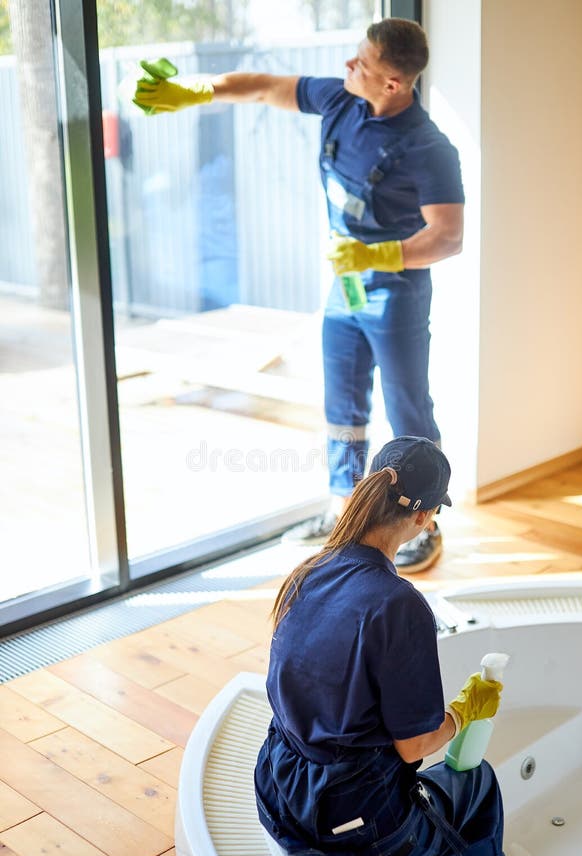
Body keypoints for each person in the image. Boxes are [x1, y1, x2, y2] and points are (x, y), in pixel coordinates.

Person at [134, 18, 465, 572]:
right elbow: (264, 86)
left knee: (409, 411)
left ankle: (422, 523)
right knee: (343, 408)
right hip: (346, 291)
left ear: (392, 84)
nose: (348, 67)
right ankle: (347, 513)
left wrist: (379, 254)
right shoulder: (340, 100)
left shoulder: (429, 148)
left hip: (396, 294)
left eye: (362, 63)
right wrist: (198, 89)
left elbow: (448, 236)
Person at [254, 436, 505, 856]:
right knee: (479, 783)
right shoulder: (400, 606)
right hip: (350, 835)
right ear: (423, 518)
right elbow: (414, 749)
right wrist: (462, 713)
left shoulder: (310, 568)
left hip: (276, 795)